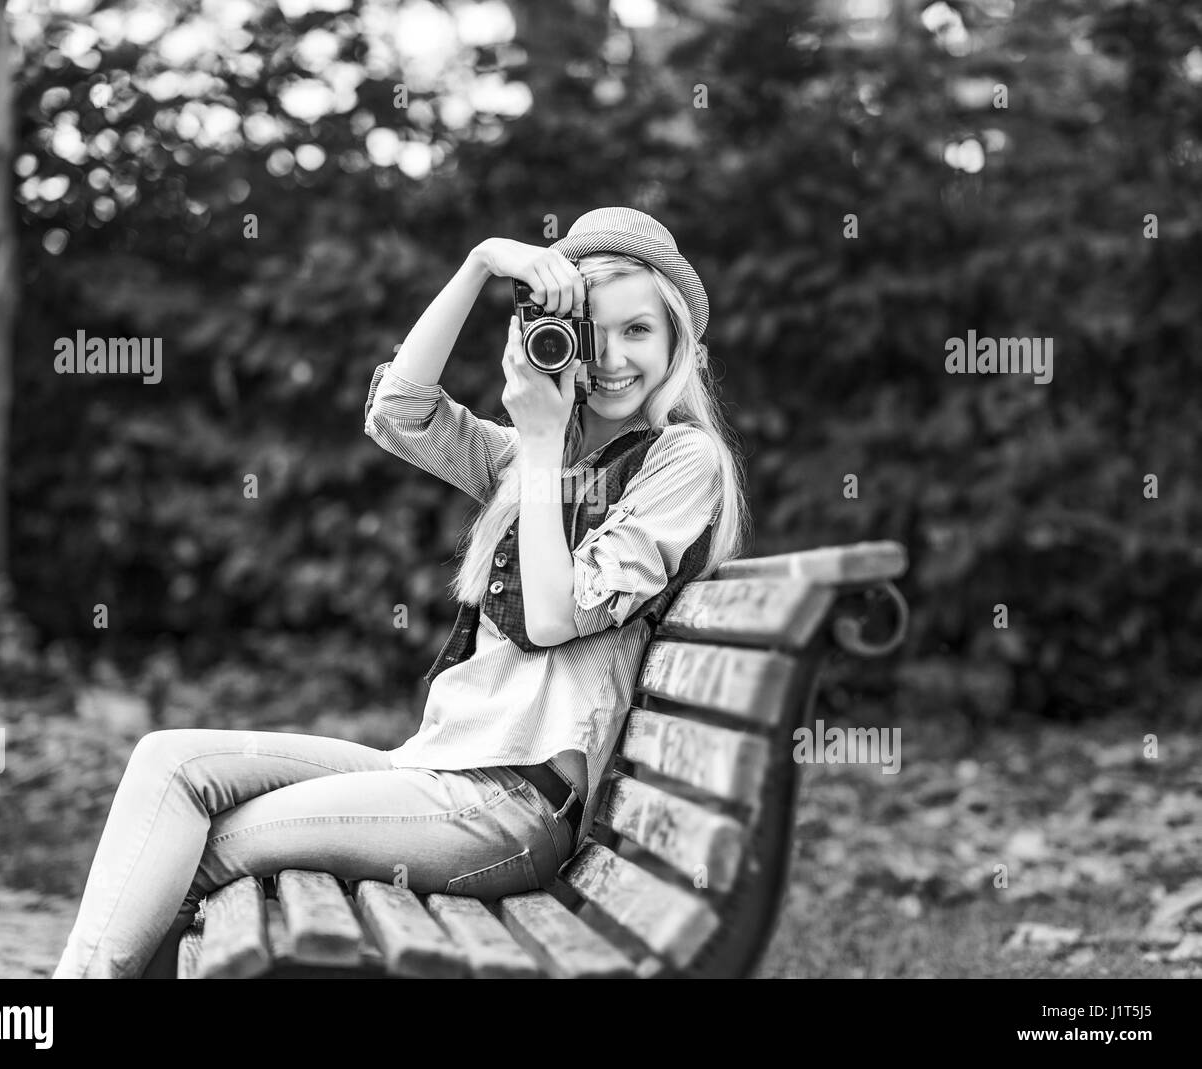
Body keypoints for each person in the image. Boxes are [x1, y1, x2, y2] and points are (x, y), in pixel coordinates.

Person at [52, 207, 748, 978]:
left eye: (639, 331)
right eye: (593, 332)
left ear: (681, 344)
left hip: (510, 805)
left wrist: (545, 441)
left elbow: (554, 617)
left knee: (195, 850)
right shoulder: (533, 456)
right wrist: (482, 263)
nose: (611, 359)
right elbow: (398, 411)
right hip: (438, 772)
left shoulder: (682, 460)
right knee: (172, 765)